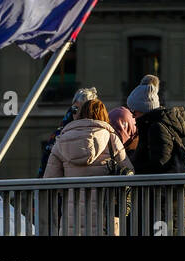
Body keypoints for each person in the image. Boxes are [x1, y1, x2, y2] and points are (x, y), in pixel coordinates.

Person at [44, 97, 133, 235]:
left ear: (81, 114)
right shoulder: (111, 138)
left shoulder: (61, 141)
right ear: (104, 115)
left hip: (72, 220)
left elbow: (50, 180)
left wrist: (70, 190)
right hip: (104, 218)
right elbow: (129, 173)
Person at [126, 74, 185, 174]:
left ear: (144, 109)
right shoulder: (152, 125)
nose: (133, 116)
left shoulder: (156, 128)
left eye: (134, 111)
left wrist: (134, 170)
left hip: (162, 187)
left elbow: (160, 162)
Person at [37, 85, 98, 177]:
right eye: (74, 109)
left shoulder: (102, 131)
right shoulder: (61, 133)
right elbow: (47, 164)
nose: (76, 113)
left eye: (80, 109)